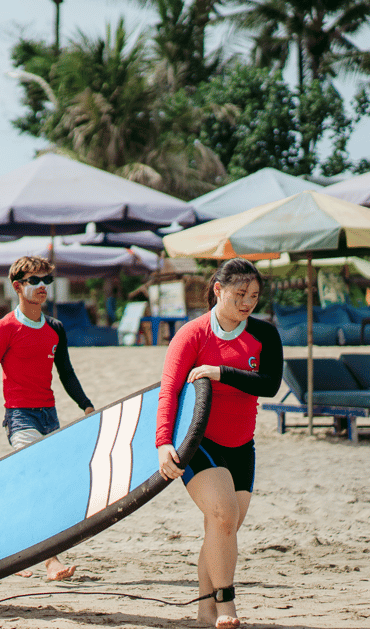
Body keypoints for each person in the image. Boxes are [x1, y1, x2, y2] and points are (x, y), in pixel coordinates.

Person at [156, 258, 282, 629]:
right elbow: (169, 391)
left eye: (254, 296)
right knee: (224, 516)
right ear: (218, 290)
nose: (247, 303)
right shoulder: (192, 335)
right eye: (240, 294)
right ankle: (226, 604)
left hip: (242, 445)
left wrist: (219, 372)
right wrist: (164, 442)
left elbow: (270, 384)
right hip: (200, 443)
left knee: (221, 527)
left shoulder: (264, 335)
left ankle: (203, 610)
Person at [0, 256, 95, 581]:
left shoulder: (55, 329)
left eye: (47, 282)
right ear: (18, 286)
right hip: (20, 417)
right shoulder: (4, 328)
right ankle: (50, 561)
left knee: (42, 485)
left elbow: (66, 372)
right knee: (39, 481)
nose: (42, 288)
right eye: (35, 281)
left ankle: (15, 548)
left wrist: (86, 405)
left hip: (49, 416)